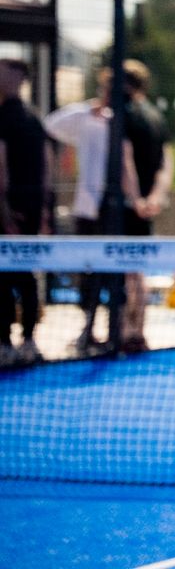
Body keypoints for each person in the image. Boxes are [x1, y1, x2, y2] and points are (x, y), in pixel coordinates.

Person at [44, 68, 142, 356]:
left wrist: (135, 199)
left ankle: (119, 330)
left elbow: (133, 163)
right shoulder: (86, 118)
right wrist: (89, 109)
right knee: (88, 272)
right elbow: (52, 124)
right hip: (87, 208)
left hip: (115, 211)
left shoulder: (125, 122)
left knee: (116, 272)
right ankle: (88, 330)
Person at [120, 59, 174, 354]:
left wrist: (137, 200)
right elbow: (166, 164)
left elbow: (125, 160)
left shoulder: (124, 115)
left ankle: (129, 332)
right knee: (136, 270)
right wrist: (156, 196)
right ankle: (136, 331)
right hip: (144, 205)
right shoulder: (156, 116)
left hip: (127, 208)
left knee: (128, 271)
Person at [0, 58, 50, 368]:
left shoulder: (27, 120)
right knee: (21, 276)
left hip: (15, 213)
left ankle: (12, 343)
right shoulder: (35, 119)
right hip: (25, 211)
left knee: (9, 278)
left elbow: (1, 169)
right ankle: (19, 342)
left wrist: (5, 213)